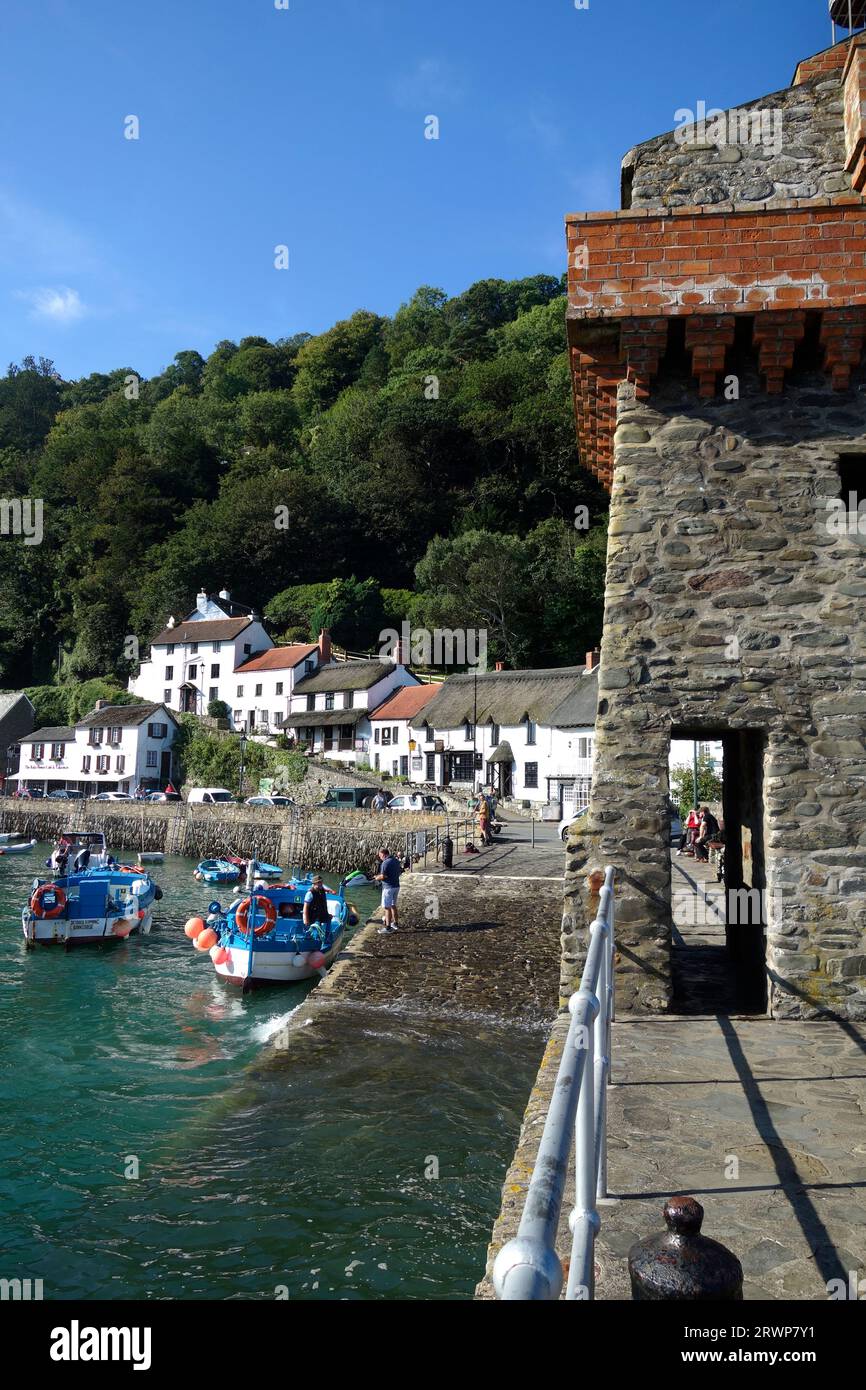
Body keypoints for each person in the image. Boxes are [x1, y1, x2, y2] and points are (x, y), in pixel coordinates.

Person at [375, 846, 402, 934]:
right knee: (393, 905)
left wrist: (376, 878)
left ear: (383, 854)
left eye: (380, 856)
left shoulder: (385, 863)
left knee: (387, 907)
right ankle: (396, 924)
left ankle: (388, 928)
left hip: (388, 888)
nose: (380, 857)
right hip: (396, 886)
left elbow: (383, 876)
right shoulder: (395, 860)